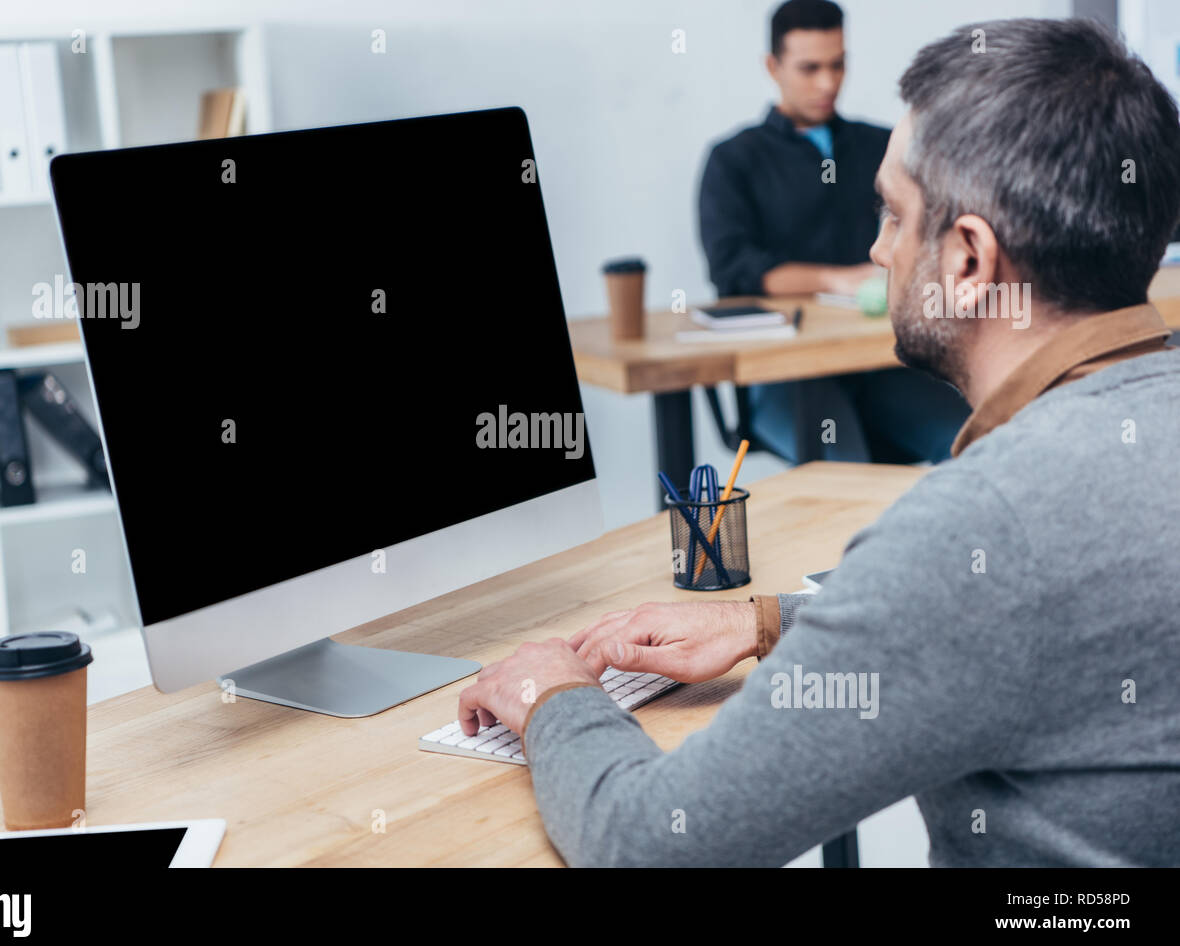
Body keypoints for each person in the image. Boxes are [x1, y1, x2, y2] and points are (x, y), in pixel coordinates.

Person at [458, 17, 1180, 865]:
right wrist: (772, 622)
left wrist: (552, 692)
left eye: (895, 215)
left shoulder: (984, 528)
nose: (877, 248)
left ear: (970, 257)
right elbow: (1034, 613)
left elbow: (651, 843)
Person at [698, 0, 970, 463]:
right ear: (773, 66)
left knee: (976, 439)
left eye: (838, 64)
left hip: (883, 365)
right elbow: (734, 269)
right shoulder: (734, 160)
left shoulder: (882, 145)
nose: (827, 83)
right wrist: (835, 280)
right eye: (810, 68)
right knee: (845, 467)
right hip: (789, 376)